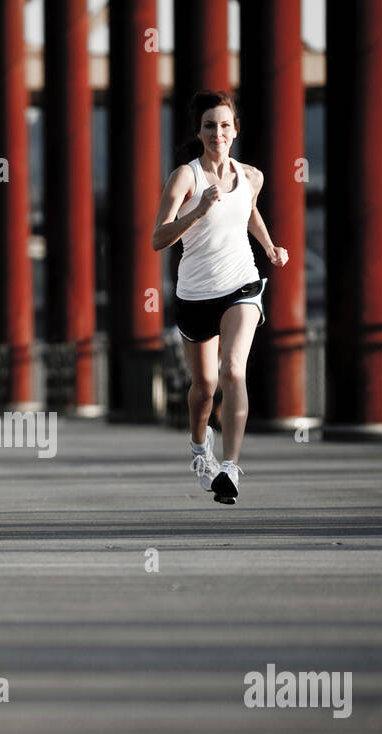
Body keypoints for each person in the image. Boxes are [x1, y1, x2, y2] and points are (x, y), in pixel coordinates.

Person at [151, 90, 288, 504]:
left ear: (236, 130)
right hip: (195, 294)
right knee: (205, 386)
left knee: (232, 370)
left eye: (225, 125)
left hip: (242, 283)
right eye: (210, 125)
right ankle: (199, 449)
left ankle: (229, 467)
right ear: (199, 131)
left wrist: (268, 247)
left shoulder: (251, 176)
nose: (218, 132)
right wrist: (197, 211)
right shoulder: (185, 177)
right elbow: (158, 238)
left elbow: (248, 211)